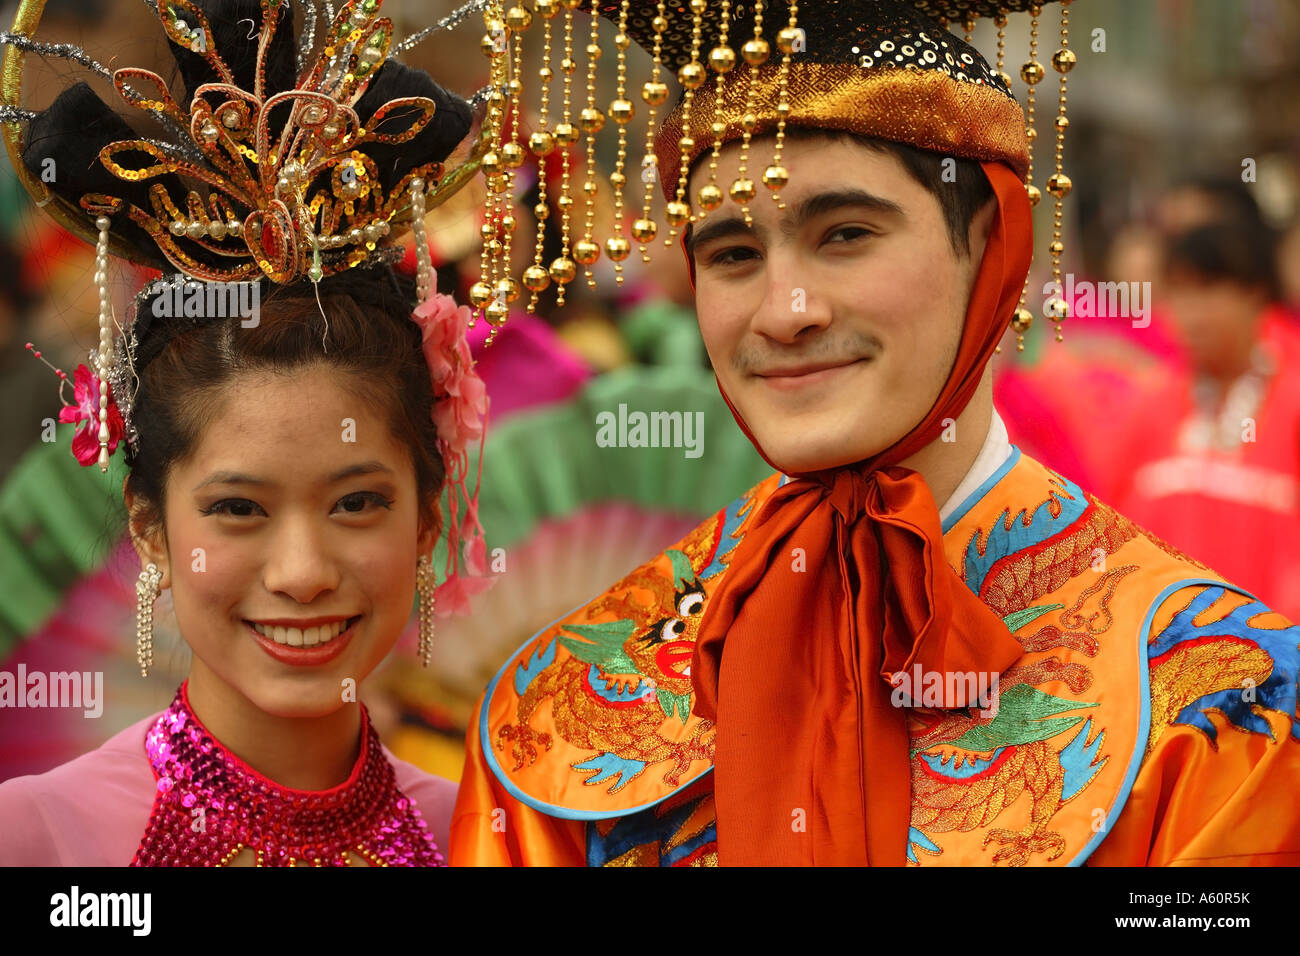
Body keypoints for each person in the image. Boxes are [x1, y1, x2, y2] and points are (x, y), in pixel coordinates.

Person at [450, 0, 1300, 866]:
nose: (785, 313)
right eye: (734, 254)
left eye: (845, 235)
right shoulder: (553, 710)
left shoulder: (1223, 708)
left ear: (993, 247)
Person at [0, 0, 490, 866]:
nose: (301, 573)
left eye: (357, 501)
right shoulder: (37, 841)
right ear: (149, 523)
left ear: (425, 517)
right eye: (237, 508)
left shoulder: (494, 841)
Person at [1113, 217, 1300, 622]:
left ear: (1256, 294)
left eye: (1209, 290)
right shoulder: (1149, 406)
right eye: (1179, 293)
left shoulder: (1291, 405)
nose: (1191, 314)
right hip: (1162, 660)